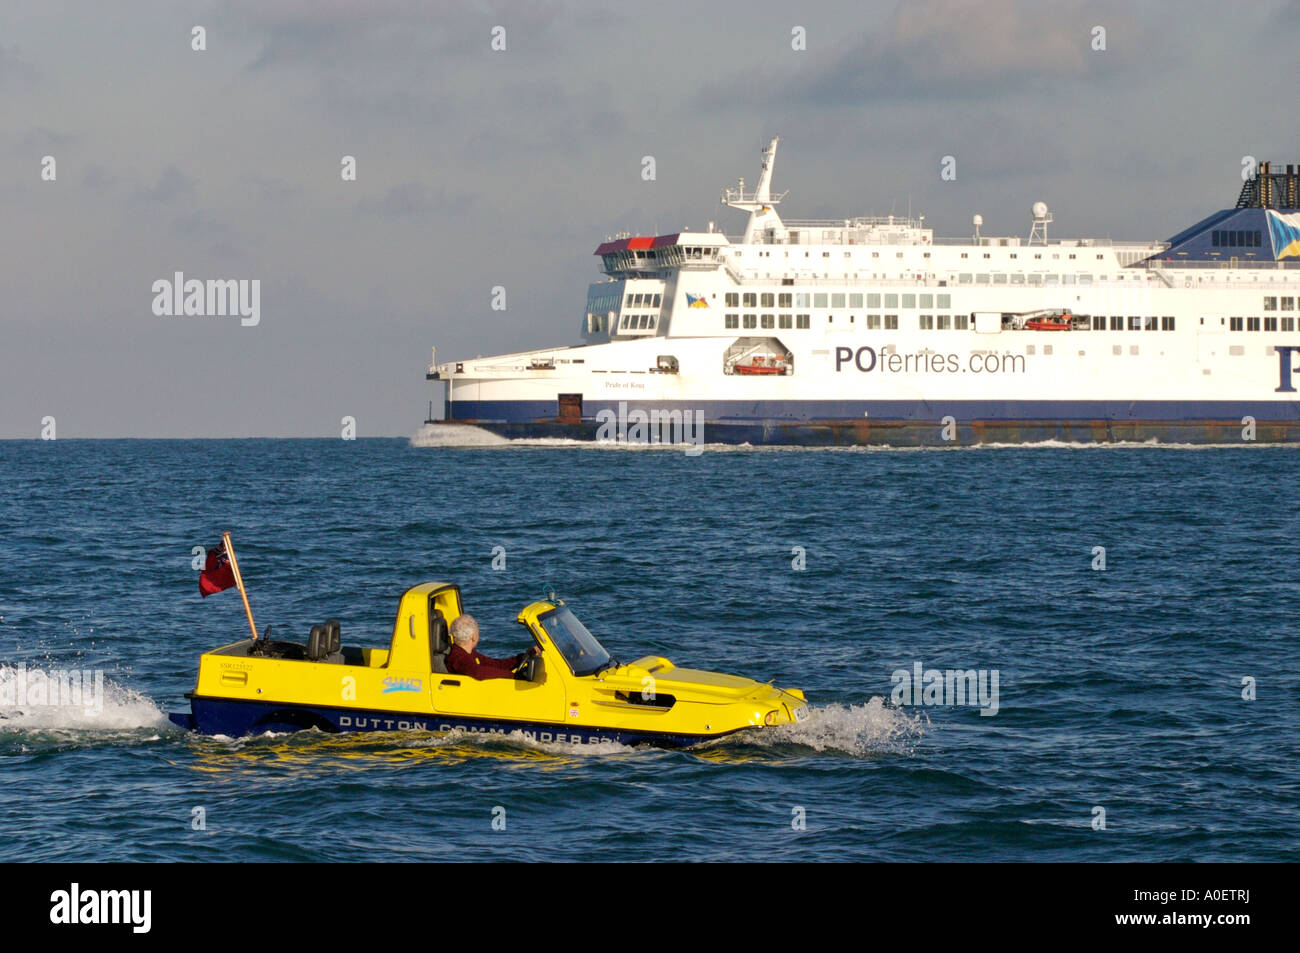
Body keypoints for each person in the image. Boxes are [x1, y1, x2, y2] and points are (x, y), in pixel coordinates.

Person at [447, 614, 537, 680]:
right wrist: (512, 676)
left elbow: (494, 665)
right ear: (473, 636)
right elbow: (477, 672)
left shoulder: (468, 653)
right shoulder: (458, 658)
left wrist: (520, 659)